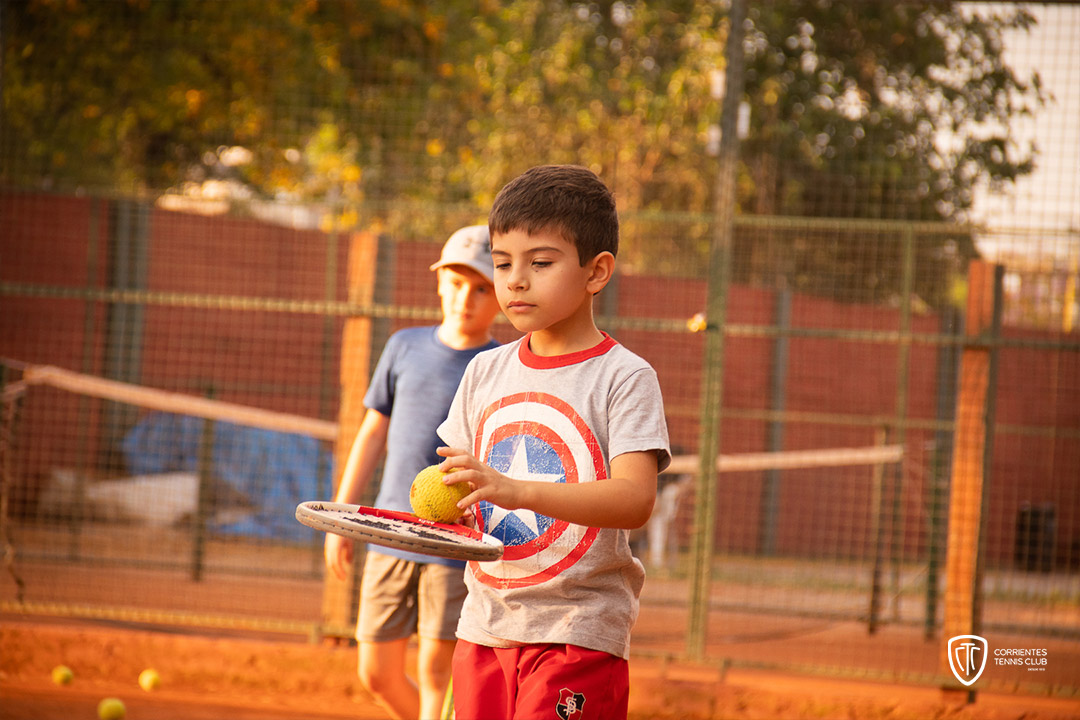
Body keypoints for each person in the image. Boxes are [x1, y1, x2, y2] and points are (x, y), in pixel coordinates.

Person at [435, 165, 671, 720]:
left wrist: (518, 491)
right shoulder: (483, 372)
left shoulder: (625, 377)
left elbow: (635, 500)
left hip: (577, 633)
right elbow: (465, 493)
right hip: (484, 627)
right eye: (502, 263)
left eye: (540, 263)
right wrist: (456, 514)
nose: (515, 280)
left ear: (597, 272)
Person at [325, 225, 501, 720]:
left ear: (502, 297)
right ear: (439, 282)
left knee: (434, 672)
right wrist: (343, 515)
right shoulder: (403, 346)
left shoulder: (497, 365)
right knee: (375, 671)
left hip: (452, 544)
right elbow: (371, 434)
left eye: (483, 287)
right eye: (458, 282)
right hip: (388, 534)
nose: (466, 297)